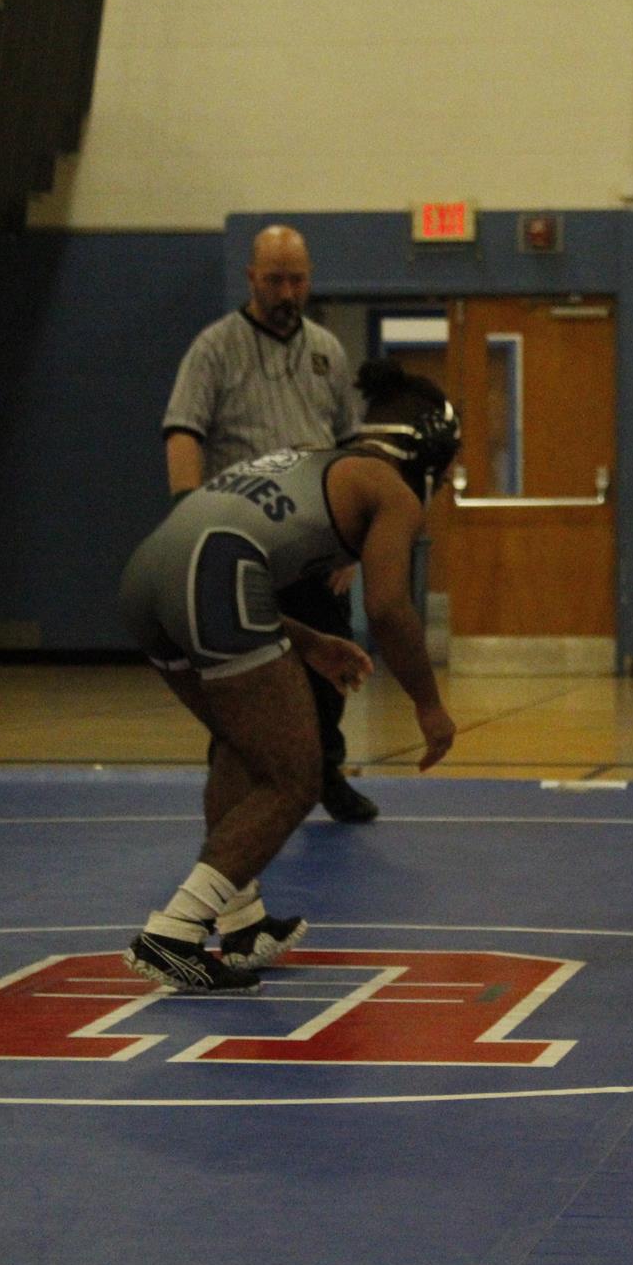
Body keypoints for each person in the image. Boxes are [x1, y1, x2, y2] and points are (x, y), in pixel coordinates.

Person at [118, 360, 460, 991]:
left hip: (149, 571)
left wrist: (308, 644)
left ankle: (242, 920)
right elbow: (387, 607)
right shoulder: (393, 490)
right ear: (431, 457)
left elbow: (223, 548)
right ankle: (177, 929)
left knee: (242, 745)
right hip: (212, 572)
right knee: (295, 773)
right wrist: (429, 706)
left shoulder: (311, 458)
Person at [163, 223, 378, 824]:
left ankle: (326, 773)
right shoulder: (214, 348)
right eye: (276, 279)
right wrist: (187, 519)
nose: (288, 292)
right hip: (242, 541)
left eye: (298, 280)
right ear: (252, 277)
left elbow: (348, 447)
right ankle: (233, 783)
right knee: (240, 673)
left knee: (330, 665)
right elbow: (184, 431)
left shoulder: (327, 351)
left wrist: (352, 540)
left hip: (315, 542)